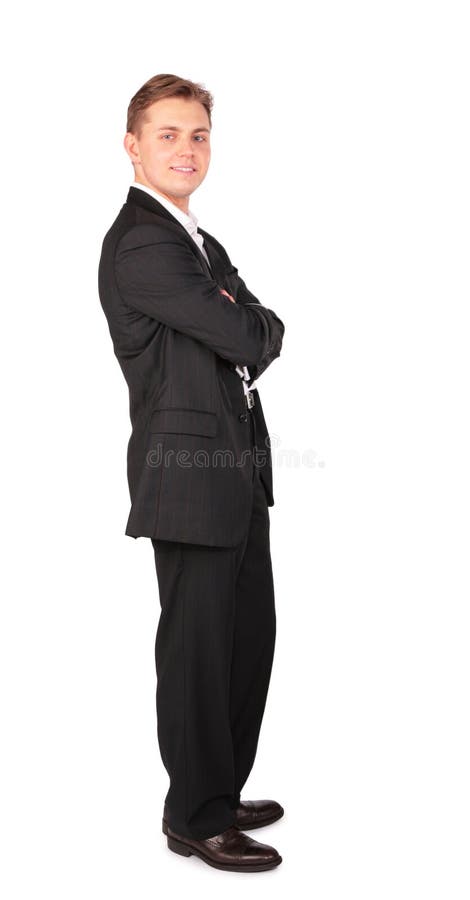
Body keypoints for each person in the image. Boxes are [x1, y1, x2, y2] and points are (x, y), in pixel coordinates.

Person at [98, 73, 285, 873]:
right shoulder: (144, 240)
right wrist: (237, 316)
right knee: (199, 652)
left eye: (198, 134)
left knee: (246, 641)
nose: (186, 148)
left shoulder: (197, 242)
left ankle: (219, 787)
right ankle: (193, 815)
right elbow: (246, 337)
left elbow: (268, 327)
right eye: (168, 134)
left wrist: (239, 314)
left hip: (233, 473)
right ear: (133, 145)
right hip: (189, 479)